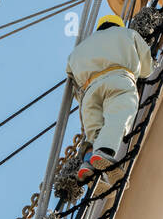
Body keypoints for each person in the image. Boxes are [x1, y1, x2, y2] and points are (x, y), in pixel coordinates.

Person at [66, 12, 154, 182]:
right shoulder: (128, 34)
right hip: (119, 79)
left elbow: (73, 83)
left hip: (89, 92)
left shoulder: (77, 51)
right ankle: (104, 152)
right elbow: (147, 68)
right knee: (119, 117)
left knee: (93, 133)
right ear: (118, 25)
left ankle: (88, 164)